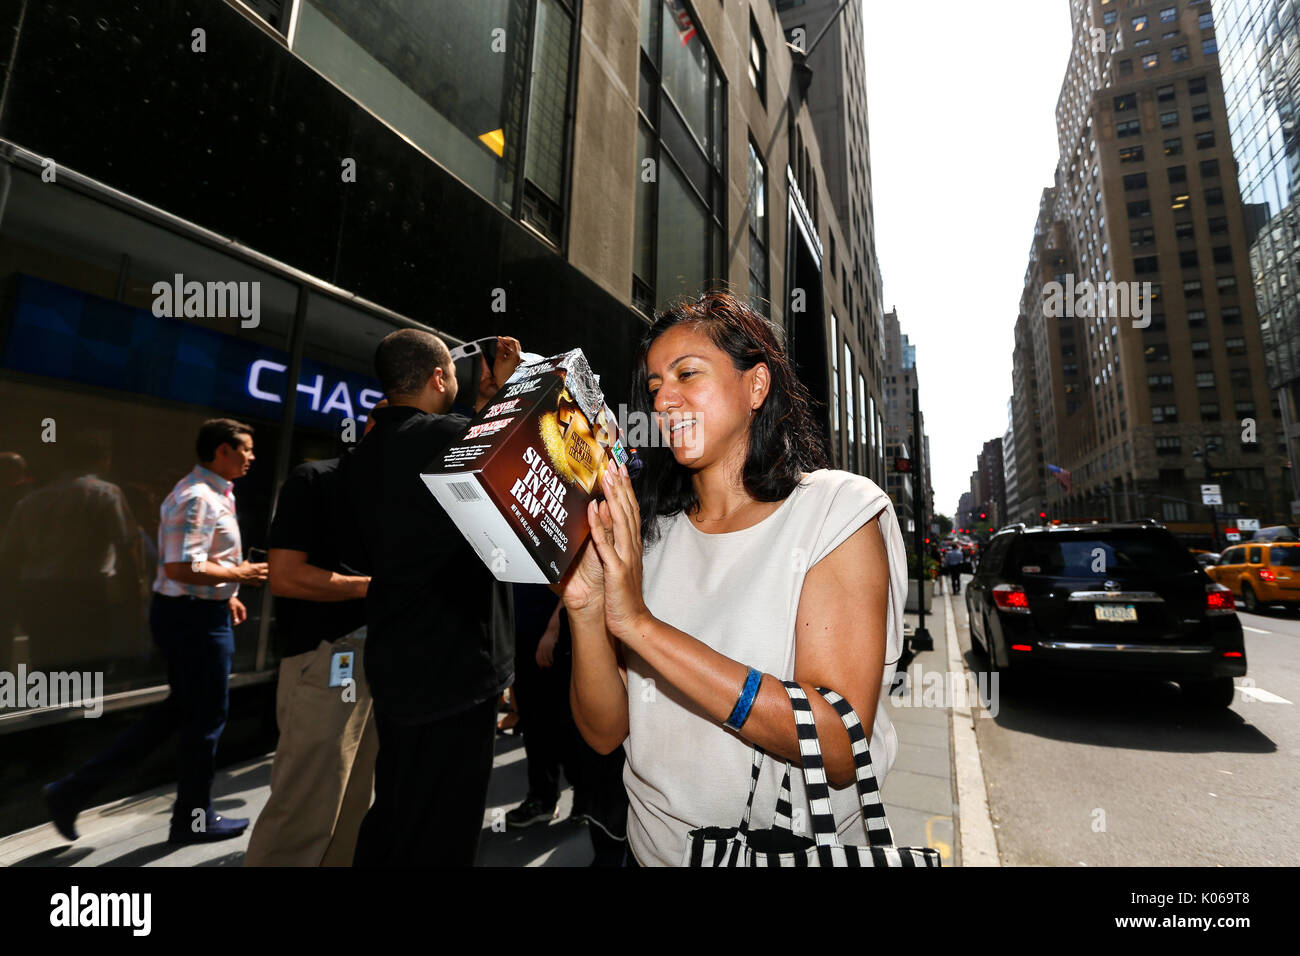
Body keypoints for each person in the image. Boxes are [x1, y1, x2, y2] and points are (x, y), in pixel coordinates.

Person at [557, 290, 907, 867]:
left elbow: (839, 744)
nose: (664, 398)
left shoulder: (833, 511)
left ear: (756, 386)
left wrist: (640, 626)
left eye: (686, 374)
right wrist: (586, 609)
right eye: (652, 387)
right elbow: (603, 733)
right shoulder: (653, 536)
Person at [342, 330, 523, 867]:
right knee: (446, 824)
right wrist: (510, 389)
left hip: (396, 661)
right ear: (439, 378)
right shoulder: (445, 436)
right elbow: (521, 445)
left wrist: (485, 401)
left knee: (397, 806)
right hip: (457, 669)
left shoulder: (360, 459)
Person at [42, 419, 268, 844]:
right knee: (205, 721)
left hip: (196, 612)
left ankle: (71, 792)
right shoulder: (197, 497)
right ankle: (190, 819)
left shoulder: (213, 492)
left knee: (179, 714)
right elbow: (181, 566)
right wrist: (238, 573)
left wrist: (226, 592)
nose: (252, 457)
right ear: (222, 451)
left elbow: (195, 564)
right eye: (246, 450)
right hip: (193, 621)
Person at [242, 438, 374, 867]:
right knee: (306, 805)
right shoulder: (314, 479)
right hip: (327, 656)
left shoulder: (389, 490)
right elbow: (285, 577)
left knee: (352, 799)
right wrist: (377, 587)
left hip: (374, 658)